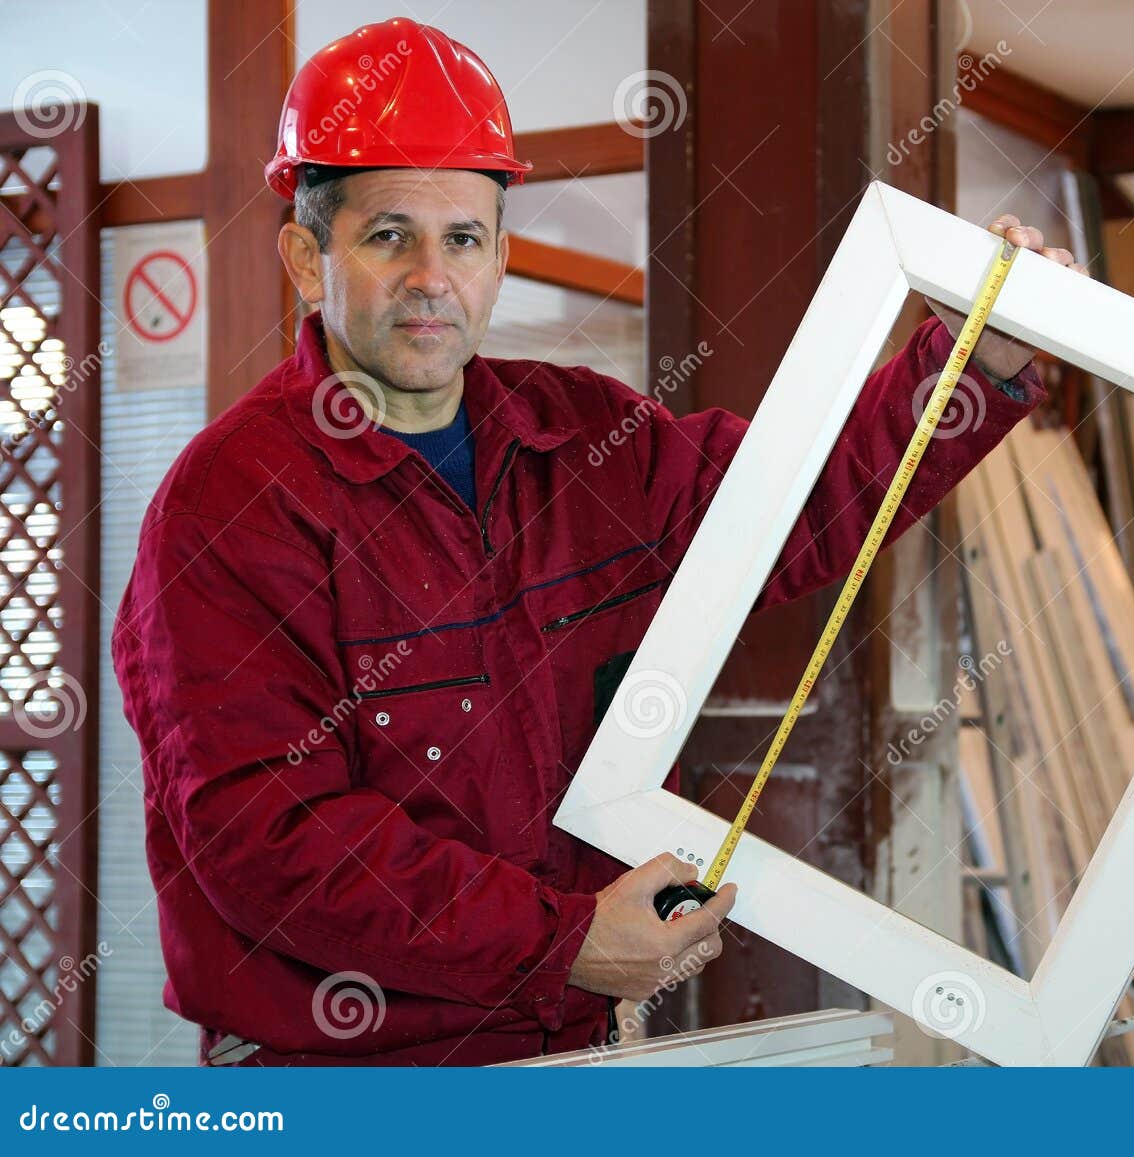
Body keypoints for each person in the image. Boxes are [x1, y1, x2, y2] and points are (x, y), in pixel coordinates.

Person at [112, 15, 1082, 1066]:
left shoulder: (585, 440)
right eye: (389, 235)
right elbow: (268, 840)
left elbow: (797, 501)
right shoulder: (231, 505)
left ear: (499, 257)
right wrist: (562, 941)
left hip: (572, 1048)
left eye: (464, 238)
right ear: (308, 258)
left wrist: (973, 368)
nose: (432, 275)